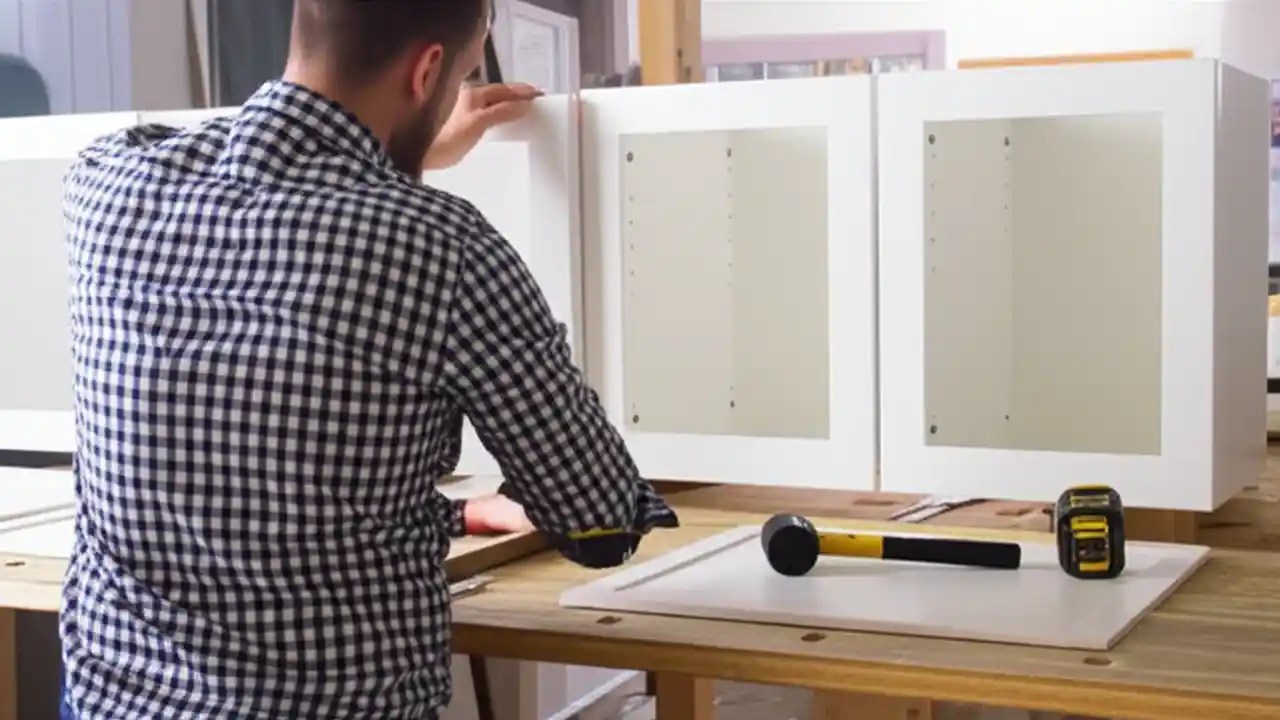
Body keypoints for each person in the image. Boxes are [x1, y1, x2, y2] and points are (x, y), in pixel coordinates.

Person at [57, 1, 677, 718]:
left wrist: (387, 154)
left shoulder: (103, 185)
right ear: (428, 71)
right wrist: (395, 169)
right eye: (460, 76)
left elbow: (254, 457)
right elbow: (597, 523)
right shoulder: (444, 248)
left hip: (113, 704)